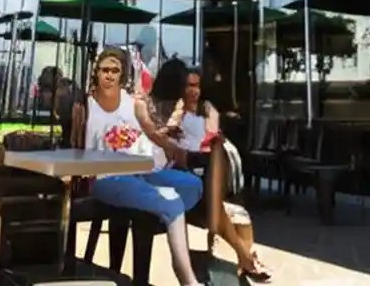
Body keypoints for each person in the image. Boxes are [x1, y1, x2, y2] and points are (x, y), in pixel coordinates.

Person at [72, 48, 205, 286]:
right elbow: (75, 146)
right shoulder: (85, 105)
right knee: (171, 200)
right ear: (96, 73)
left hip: (141, 171)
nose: (109, 75)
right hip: (106, 177)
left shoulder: (134, 104)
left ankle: (155, 214)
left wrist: (175, 146)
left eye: (115, 70)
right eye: (105, 70)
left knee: (193, 185)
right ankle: (188, 280)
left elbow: (153, 135)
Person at [152, 58, 272, 281]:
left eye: (195, 85)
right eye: (187, 85)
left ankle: (243, 256)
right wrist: (172, 127)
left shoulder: (204, 109)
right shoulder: (160, 108)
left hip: (203, 168)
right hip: (181, 169)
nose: (191, 90)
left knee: (223, 193)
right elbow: (163, 143)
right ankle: (245, 256)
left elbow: (211, 135)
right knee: (226, 208)